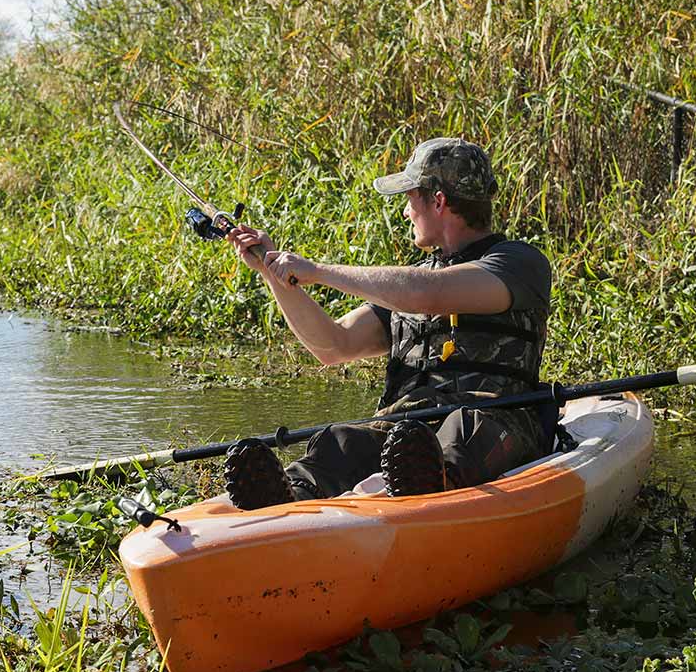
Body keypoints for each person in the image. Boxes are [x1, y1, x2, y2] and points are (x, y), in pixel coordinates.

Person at [223, 137, 552, 509]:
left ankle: (434, 483)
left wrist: (317, 271)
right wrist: (273, 274)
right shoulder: (404, 286)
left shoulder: (518, 263)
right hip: (407, 429)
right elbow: (334, 345)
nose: (407, 211)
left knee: (465, 429)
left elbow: (428, 293)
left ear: (438, 201)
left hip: (497, 421)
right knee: (344, 441)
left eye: (410, 198)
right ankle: (290, 496)